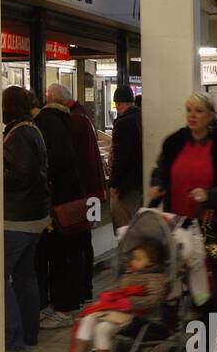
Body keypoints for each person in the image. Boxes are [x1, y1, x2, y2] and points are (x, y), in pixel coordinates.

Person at [147, 91, 217, 343]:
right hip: (180, 223)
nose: (192, 116)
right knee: (186, 279)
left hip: (212, 225)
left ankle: (210, 339)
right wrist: (157, 184)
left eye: (198, 111)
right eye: (188, 110)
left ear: (210, 115)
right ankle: (205, 326)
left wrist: (213, 194)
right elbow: (160, 170)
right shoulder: (174, 143)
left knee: (213, 281)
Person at [62, 240, 166, 352]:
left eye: (138, 259)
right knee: (88, 319)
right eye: (133, 258)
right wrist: (108, 295)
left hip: (136, 316)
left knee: (101, 328)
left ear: (152, 262)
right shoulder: (129, 274)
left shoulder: (155, 278)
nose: (133, 262)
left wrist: (131, 302)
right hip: (116, 311)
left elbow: (154, 299)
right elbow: (115, 287)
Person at [2, 86, 49, 352]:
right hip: (34, 215)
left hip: (16, 218)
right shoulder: (32, 129)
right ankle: (30, 333)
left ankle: (11, 338)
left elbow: (22, 176)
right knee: (24, 276)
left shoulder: (19, 134)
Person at [34, 83, 85, 328]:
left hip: (56, 203)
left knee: (55, 255)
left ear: (47, 99)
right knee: (66, 253)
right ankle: (61, 304)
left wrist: (44, 174)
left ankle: (60, 307)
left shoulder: (48, 121)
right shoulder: (72, 120)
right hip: (71, 199)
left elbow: (58, 158)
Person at [68, 92, 108, 306]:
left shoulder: (74, 121)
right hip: (94, 192)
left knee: (82, 237)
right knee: (87, 236)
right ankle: (87, 285)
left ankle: (84, 284)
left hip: (84, 194)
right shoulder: (83, 118)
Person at [108, 85, 143, 229]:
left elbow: (121, 158)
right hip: (139, 183)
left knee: (123, 227)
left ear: (118, 103)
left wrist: (114, 184)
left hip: (125, 186)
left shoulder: (123, 123)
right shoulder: (142, 117)